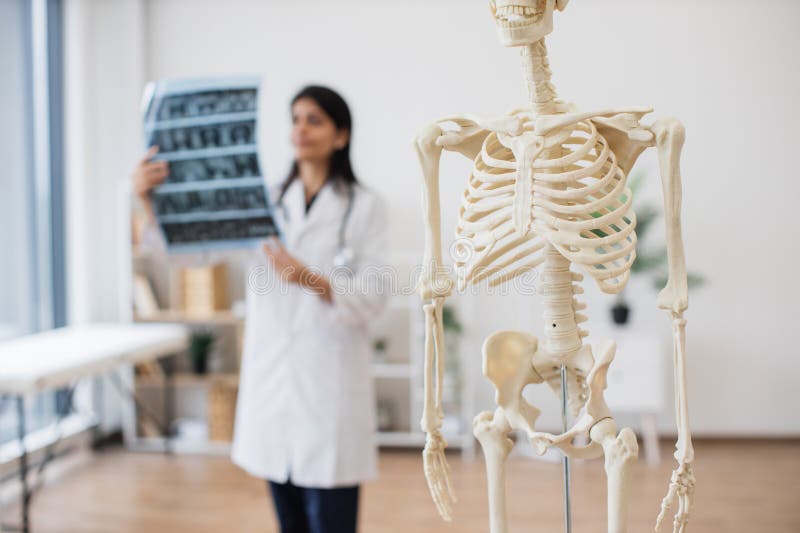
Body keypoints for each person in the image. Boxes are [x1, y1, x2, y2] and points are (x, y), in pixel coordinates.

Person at [132, 85, 388, 533]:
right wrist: (147, 201)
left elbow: (374, 296)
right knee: (289, 523)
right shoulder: (264, 202)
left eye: (314, 120)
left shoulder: (365, 207)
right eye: (295, 119)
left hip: (330, 392)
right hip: (274, 388)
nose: (300, 129)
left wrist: (309, 278)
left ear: (341, 135)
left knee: (333, 521)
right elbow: (193, 254)